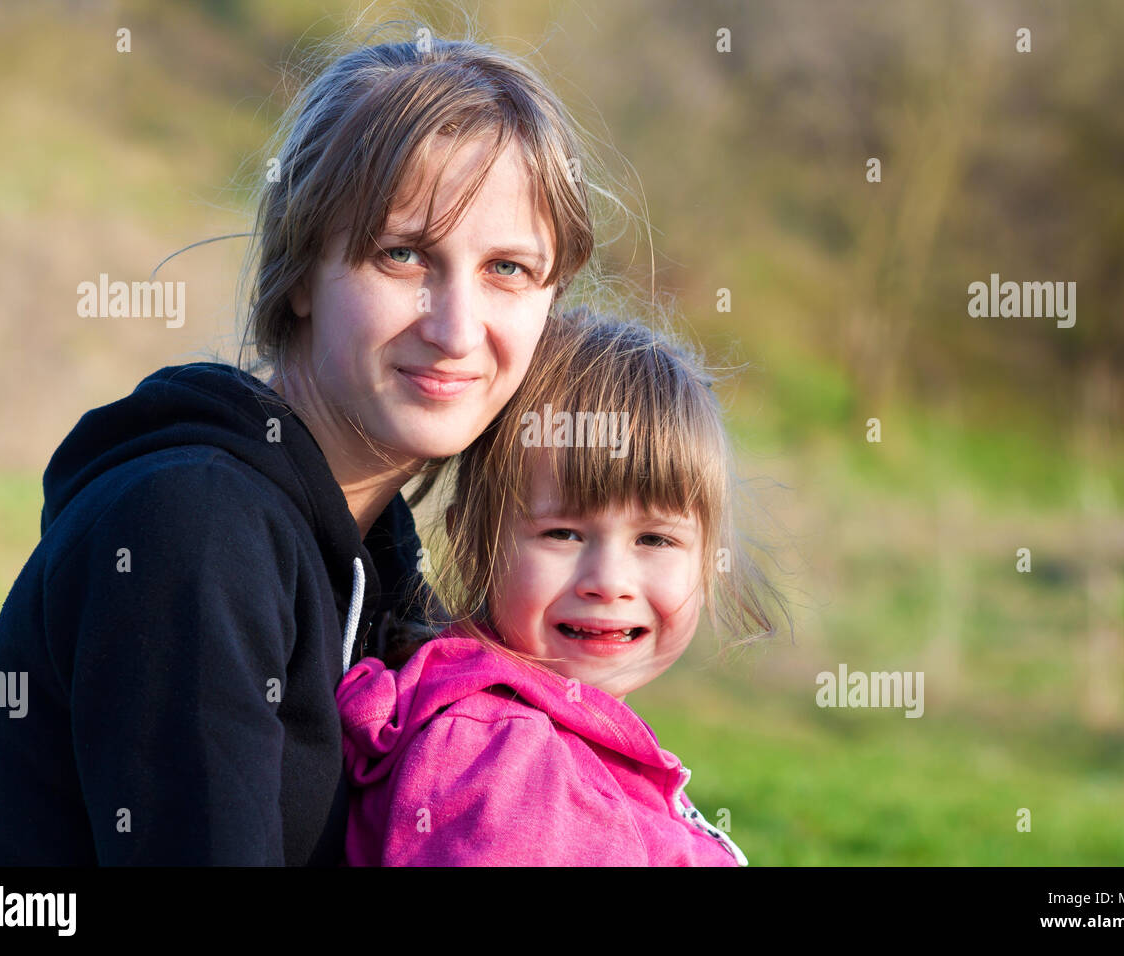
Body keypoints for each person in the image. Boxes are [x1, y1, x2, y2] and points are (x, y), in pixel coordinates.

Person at [0, 29, 598, 865]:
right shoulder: (195, 527)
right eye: (402, 255)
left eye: (508, 269)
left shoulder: (374, 563)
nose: (456, 329)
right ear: (299, 271)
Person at [336, 307, 790, 865]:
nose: (609, 582)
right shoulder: (506, 757)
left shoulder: (556, 737)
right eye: (564, 533)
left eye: (655, 540)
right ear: (472, 543)